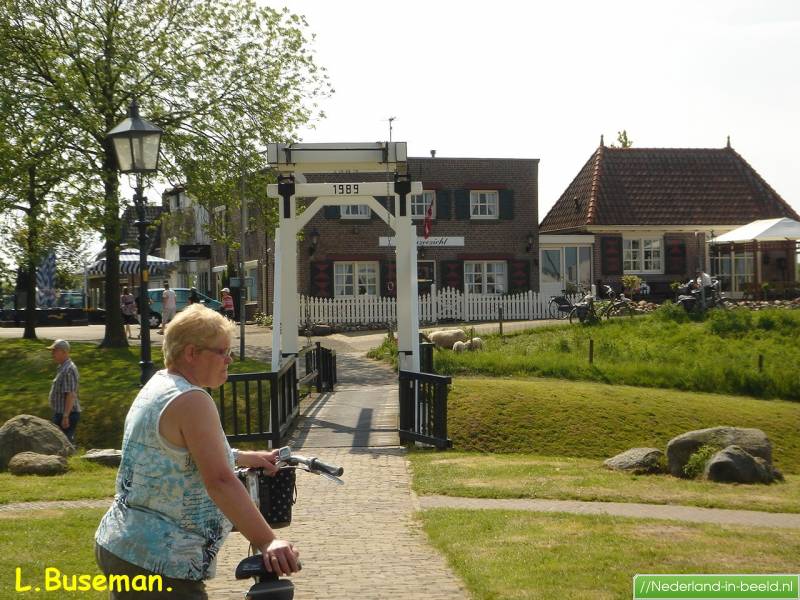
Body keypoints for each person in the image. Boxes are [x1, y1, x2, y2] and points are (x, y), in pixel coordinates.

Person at [95, 304, 299, 599]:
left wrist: (242, 457)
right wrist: (267, 541)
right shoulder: (192, 400)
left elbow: (177, 451)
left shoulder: (160, 385)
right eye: (222, 351)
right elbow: (220, 480)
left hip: (125, 546)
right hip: (160, 562)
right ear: (191, 353)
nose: (229, 359)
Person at [48, 339, 80, 444]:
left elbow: (70, 394)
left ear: (64, 352)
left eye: (54, 351)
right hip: (61, 413)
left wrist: (65, 416)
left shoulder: (68, 369)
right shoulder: (62, 367)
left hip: (67, 414)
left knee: (64, 444)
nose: (52, 354)